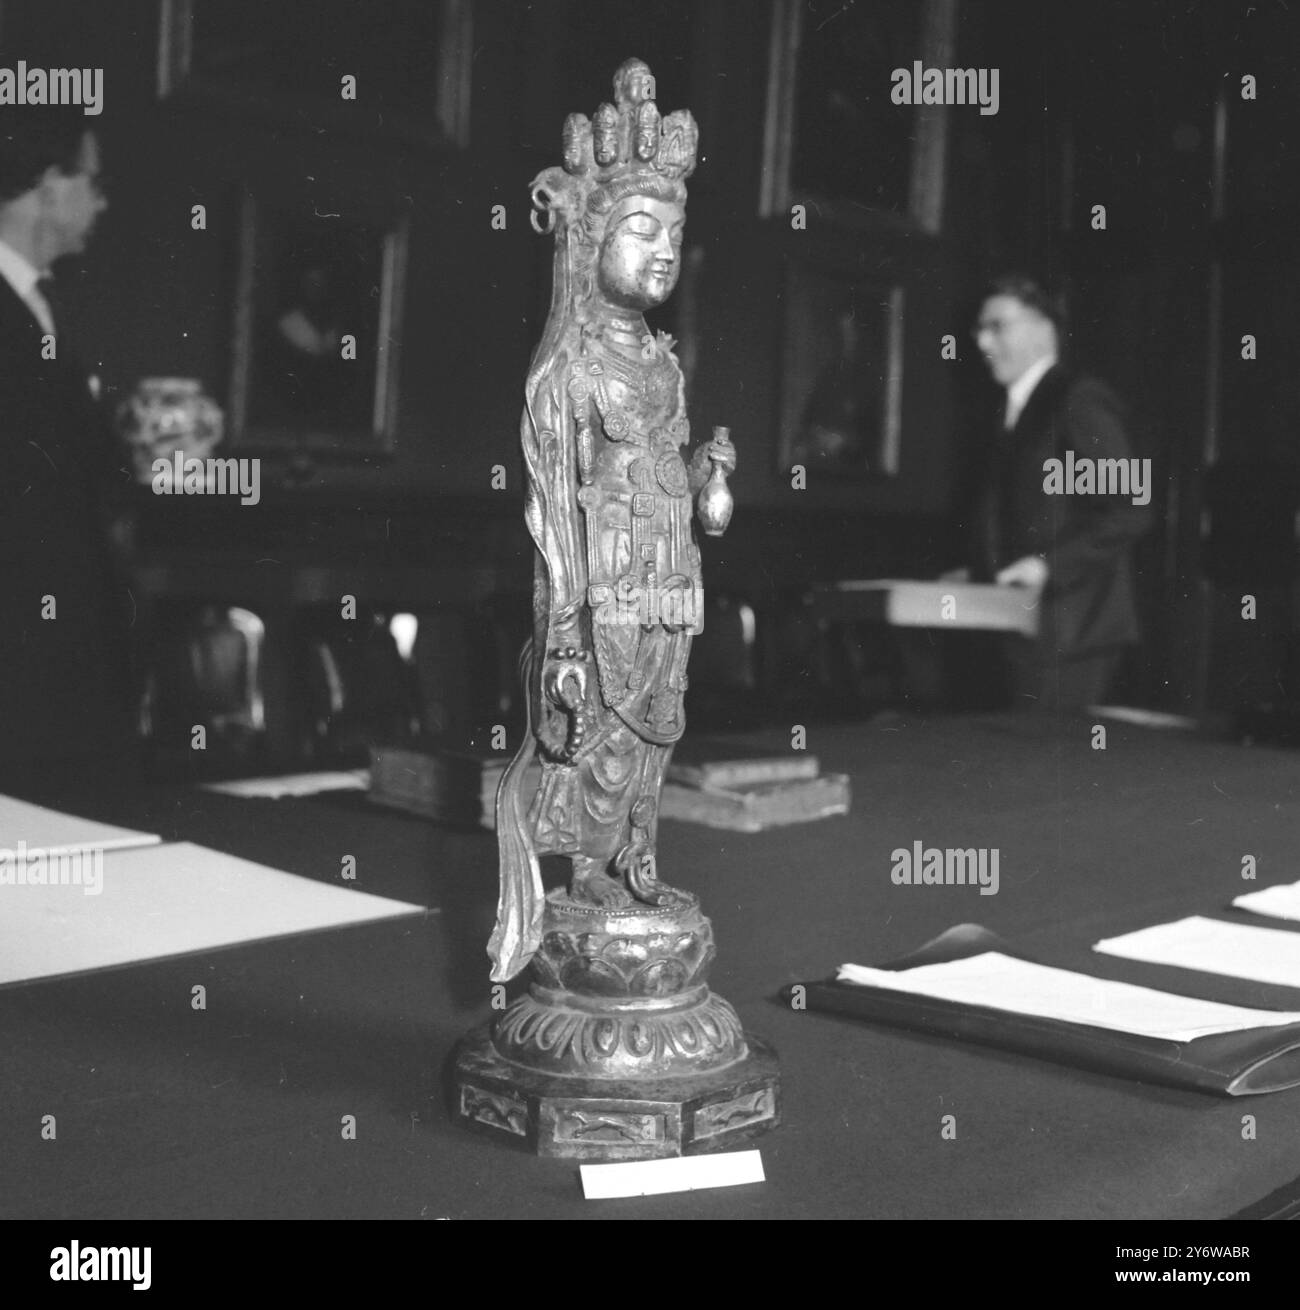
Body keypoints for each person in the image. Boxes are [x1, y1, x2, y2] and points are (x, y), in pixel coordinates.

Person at [488, 59, 734, 982]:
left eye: (675, 232)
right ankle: (588, 875)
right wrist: (561, 634)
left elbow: (685, 487)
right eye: (642, 229)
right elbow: (553, 514)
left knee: (659, 726)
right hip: (601, 591)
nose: (664, 249)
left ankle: (637, 864)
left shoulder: (664, 366)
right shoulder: (568, 371)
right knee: (598, 734)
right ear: (591, 238)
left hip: (669, 580)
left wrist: (707, 478)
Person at [0, 110, 133, 790]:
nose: (102, 202)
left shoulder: (46, 306)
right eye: (93, 182)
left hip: (56, 659)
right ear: (49, 186)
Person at [947, 274, 1151, 711]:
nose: (982, 342)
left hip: (1072, 631)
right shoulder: (1009, 409)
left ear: (1044, 329)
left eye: (997, 326)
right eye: (979, 330)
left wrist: (1046, 567)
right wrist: (980, 570)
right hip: (1021, 628)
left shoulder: (1079, 400)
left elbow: (1131, 507)